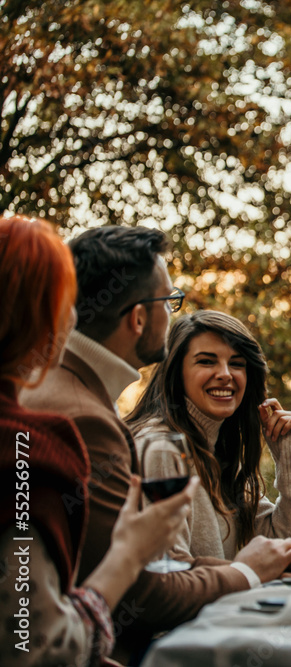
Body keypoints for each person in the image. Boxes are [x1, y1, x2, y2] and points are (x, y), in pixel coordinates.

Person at [20, 225, 291, 662]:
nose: (226, 376)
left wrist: (270, 556)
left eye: (236, 364)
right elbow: (146, 589)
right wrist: (248, 571)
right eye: (169, 302)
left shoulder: (74, 395)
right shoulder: (94, 421)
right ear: (138, 317)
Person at [0, 215, 198, 667]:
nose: (73, 316)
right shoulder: (30, 450)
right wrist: (130, 554)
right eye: (61, 299)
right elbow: (36, 645)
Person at [126, 310, 291, 568]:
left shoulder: (219, 451)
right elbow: (169, 571)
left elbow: (286, 538)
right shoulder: (161, 449)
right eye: (207, 361)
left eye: (237, 363)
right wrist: (266, 565)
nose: (226, 374)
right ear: (176, 372)